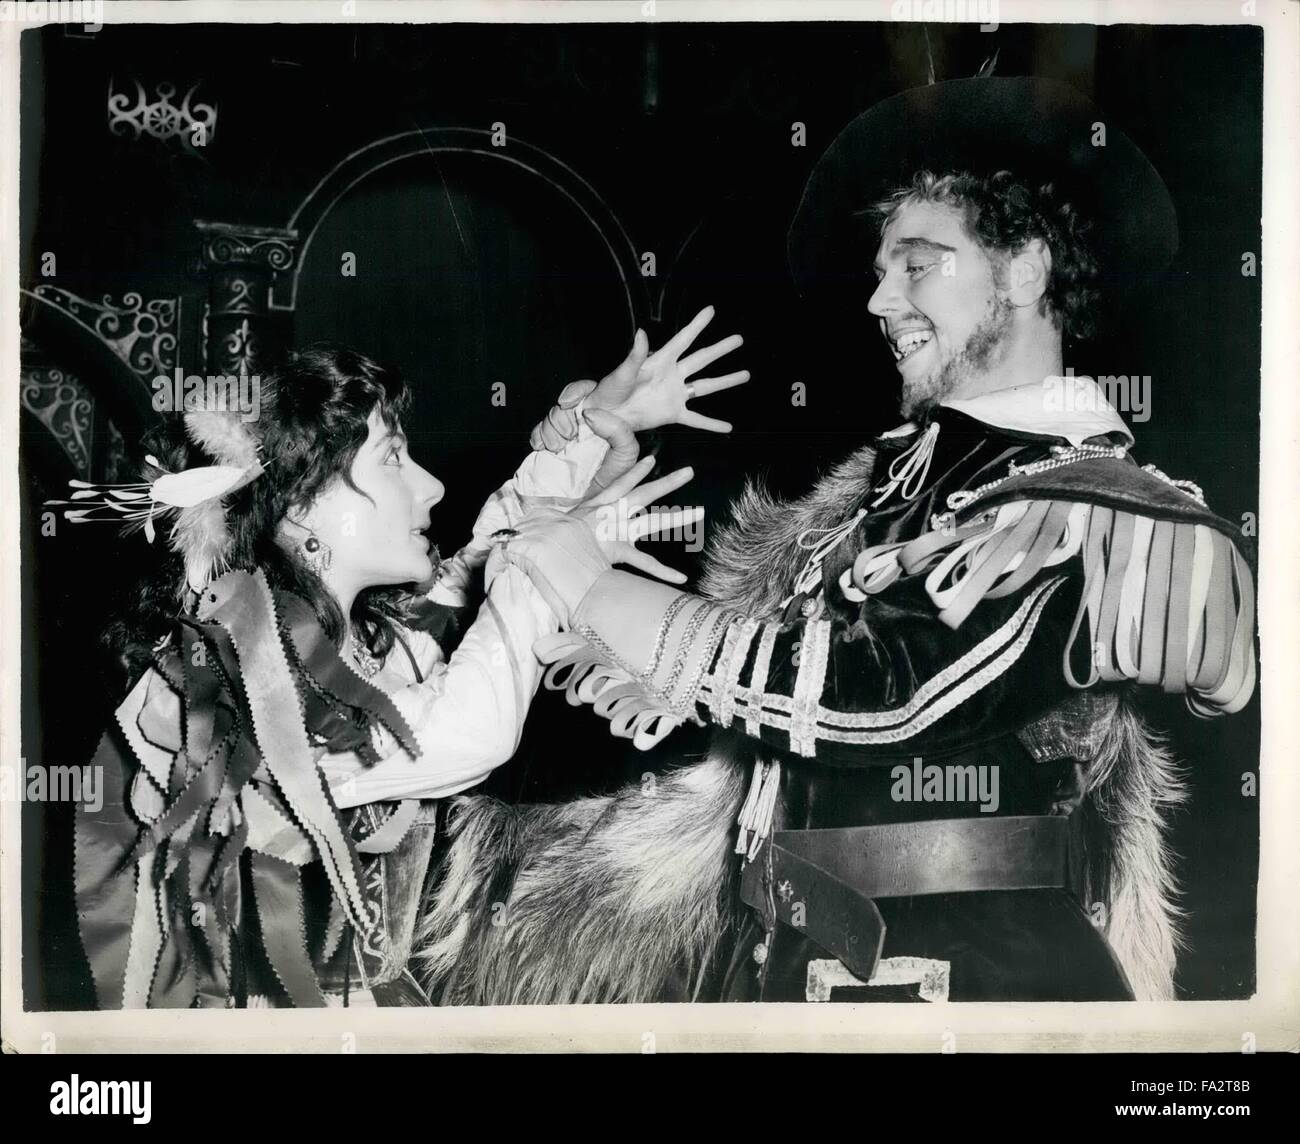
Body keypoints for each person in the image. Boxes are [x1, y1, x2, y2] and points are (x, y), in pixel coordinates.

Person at [416, 76, 1257, 1004]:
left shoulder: (1087, 505)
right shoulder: (895, 489)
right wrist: (605, 543)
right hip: (805, 962)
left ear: (1024, 270)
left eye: (918, 263)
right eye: (880, 269)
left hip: (971, 987)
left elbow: (878, 701)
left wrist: (602, 588)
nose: (877, 300)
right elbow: (768, 695)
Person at [55, 314, 746, 1008]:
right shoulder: (243, 676)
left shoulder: (362, 642)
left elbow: (475, 579)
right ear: (300, 508)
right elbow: (470, 724)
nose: (433, 487)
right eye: (392, 457)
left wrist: (590, 429)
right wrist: (551, 555)